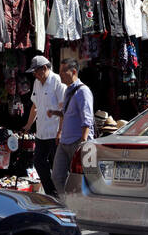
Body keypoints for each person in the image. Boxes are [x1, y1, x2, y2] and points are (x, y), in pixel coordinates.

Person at [51, 59, 94, 197]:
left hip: (78, 142)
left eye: (64, 71)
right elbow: (67, 114)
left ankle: (81, 208)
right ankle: (67, 205)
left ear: (74, 72)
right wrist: (58, 127)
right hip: (65, 142)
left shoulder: (83, 91)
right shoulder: (68, 91)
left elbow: (87, 118)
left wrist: (83, 141)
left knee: (82, 181)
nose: (60, 74)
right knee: (57, 177)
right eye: (60, 70)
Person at [21, 55, 61, 196]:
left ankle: (63, 194)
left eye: (36, 71)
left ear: (44, 68)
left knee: (58, 167)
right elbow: (35, 106)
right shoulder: (37, 83)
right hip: (41, 132)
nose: (34, 75)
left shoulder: (57, 81)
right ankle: (52, 193)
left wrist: (61, 131)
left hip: (55, 132)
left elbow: (63, 108)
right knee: (38, 162)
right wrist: (28, 124)